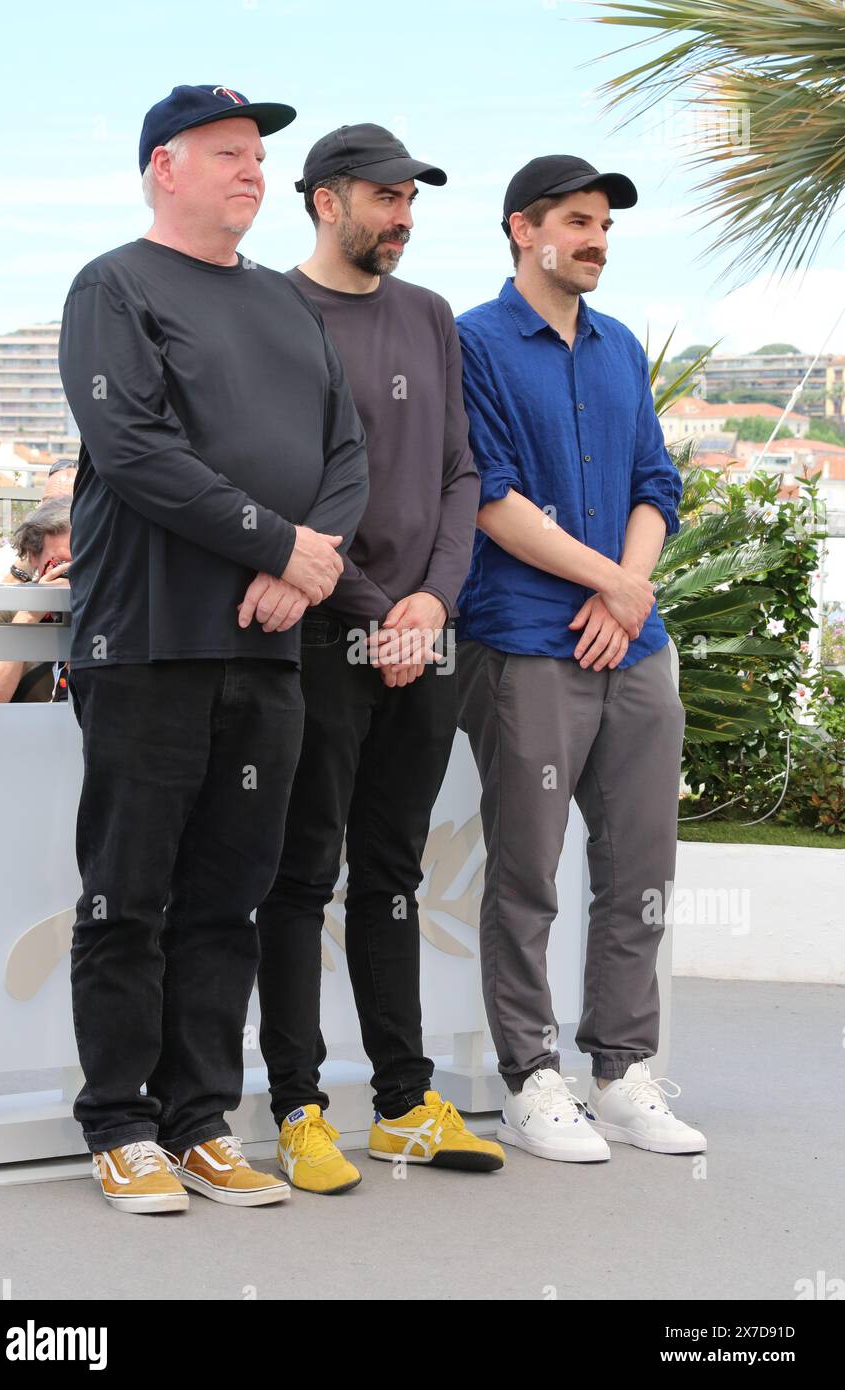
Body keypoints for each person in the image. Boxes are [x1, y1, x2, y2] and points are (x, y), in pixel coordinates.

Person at [58, 84, 369, 1214]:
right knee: (128, 894)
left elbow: (348, 450)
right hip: (148, 641)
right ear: (163, 169)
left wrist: (308, 560)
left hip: (267, 655)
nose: (253, 171)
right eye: (229, 152)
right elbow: (131, 445)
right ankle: (118, 1124)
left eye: (258, 157)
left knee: (228, 898)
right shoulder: (114, 286)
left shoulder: (290, 307)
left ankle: (198, 1121)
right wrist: (281, 544)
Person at [252, 123, 503, 1193]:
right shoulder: (268, 313)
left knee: (392, 870)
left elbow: (458, 470)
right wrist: (375, 610)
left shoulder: (429, 315)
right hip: (318, 631)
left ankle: (401, 1100)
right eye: (385, 197)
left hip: (424, 633)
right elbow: (279, 483)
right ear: (324, 200)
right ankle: (298, 1109)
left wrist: (432, 602)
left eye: (411, 199)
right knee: (300, 872)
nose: (402, 216)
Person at [455, 155, 706, 1163]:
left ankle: (621, 1070)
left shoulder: (617, 348)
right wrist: (606, 582)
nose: (597, 237)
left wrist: (627, 590)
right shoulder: (471, 342)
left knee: (640, 866)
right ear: (524, 228)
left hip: (632, 643)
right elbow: (488, 494)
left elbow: (656, 479)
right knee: (526, 869)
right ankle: (529, 1076)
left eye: (605, 222)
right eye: (577, 219)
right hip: (523, 638)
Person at [0, 497, 71, 703]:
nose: (70, 574)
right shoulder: (7, 607)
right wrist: (29, 614)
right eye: (59, 564)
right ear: (33, 557)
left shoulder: (111, 607)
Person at [0, 458, 78, 585]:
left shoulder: (101, 552)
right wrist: (26, 562)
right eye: (49, 503)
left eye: (66, 504)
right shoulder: (7, 557)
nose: (54, 514)